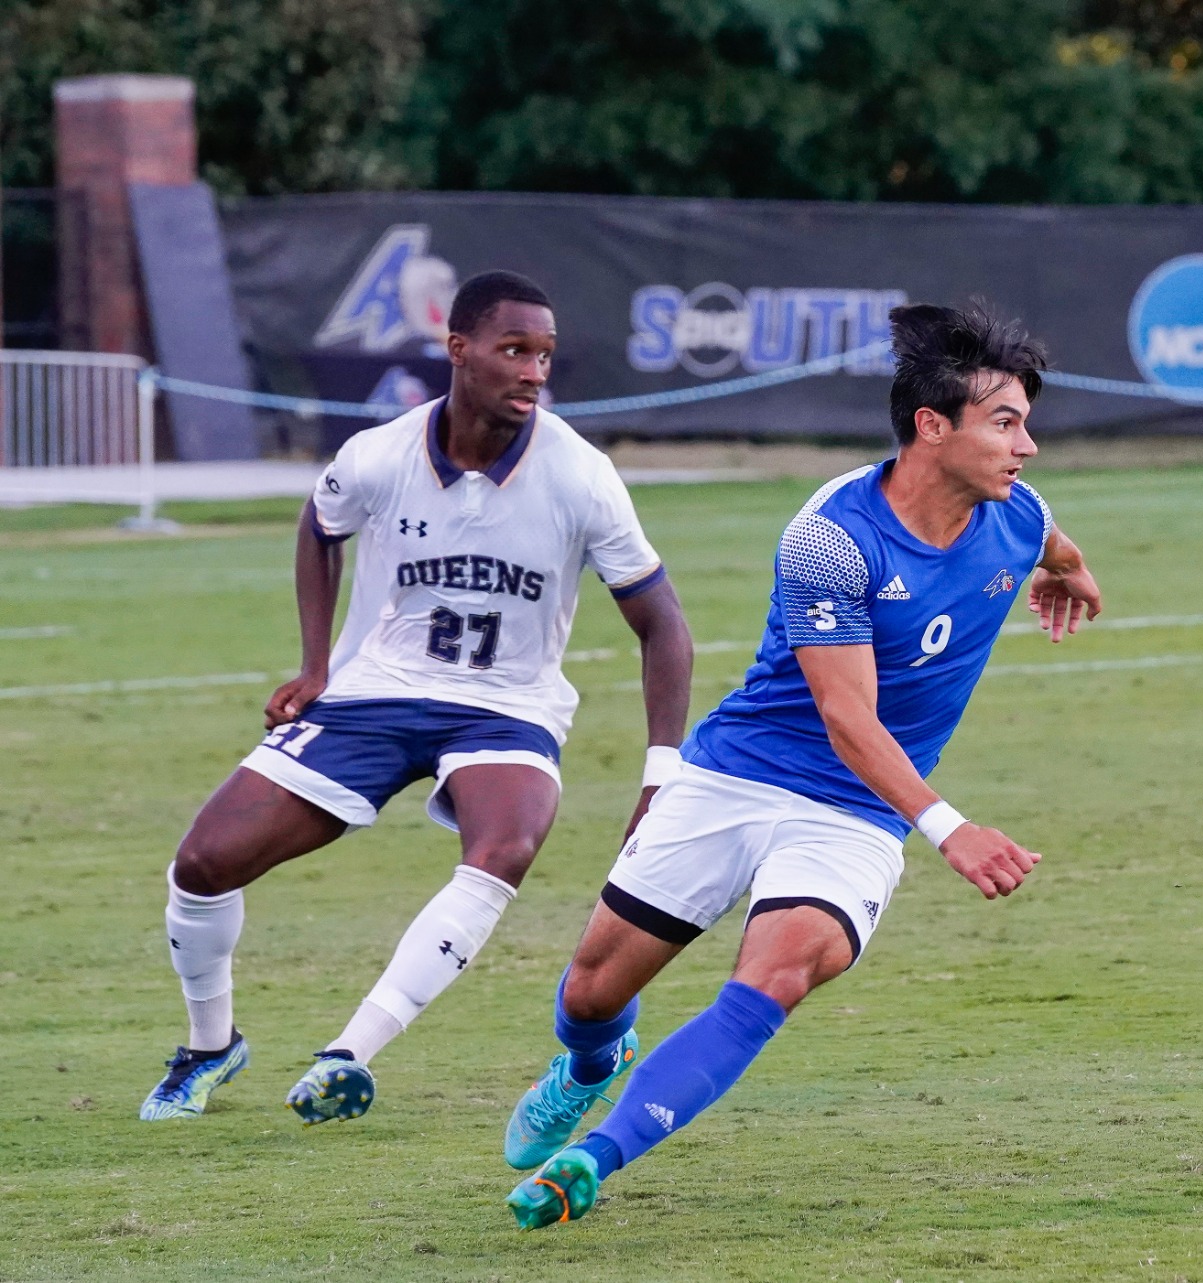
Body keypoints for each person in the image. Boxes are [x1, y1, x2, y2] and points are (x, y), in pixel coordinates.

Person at [501, 301, 1103, 1230]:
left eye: (1026, 422)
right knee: (590, 993)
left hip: (854, 815)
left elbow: (1049, 538)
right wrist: (952, 828)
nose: (1028, 446)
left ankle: (593, 1158)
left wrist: (1070, 570)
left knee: (778, 973)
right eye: (1006, 423)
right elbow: (845, 714)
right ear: (932, 428)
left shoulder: (1017, 513)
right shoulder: (830, 535)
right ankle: (591, 1063)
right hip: (739, 774)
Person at [139, 271, 695, 1125]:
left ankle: (346, 1054)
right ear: (459, 349)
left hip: (507, 705)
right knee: (202, 864)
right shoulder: (378, 454)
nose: (533, 372)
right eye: (514, 350)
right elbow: (320, 529)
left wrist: (662, 770)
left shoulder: (581, 476)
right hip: (377, 692)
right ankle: (210, 1046)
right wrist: (317, 665)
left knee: (504, 842)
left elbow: (665, 627)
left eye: (545, 355)